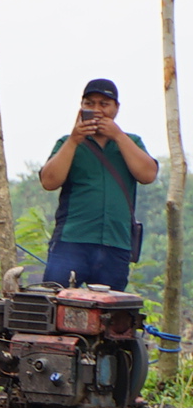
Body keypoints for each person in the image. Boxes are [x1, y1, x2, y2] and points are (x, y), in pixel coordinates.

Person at [38, 78, 158, 290]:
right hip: (71, 242)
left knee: (109, 315)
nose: (97, 110)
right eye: (90, 104)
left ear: (116, 109)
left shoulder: (131, 142)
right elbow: (49, 181)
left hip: (115, 243)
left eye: (104, 104)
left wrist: (118, 136)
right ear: (81, 107)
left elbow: (148, 174)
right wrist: (74, 140)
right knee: (55, 304)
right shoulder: (68, 143)